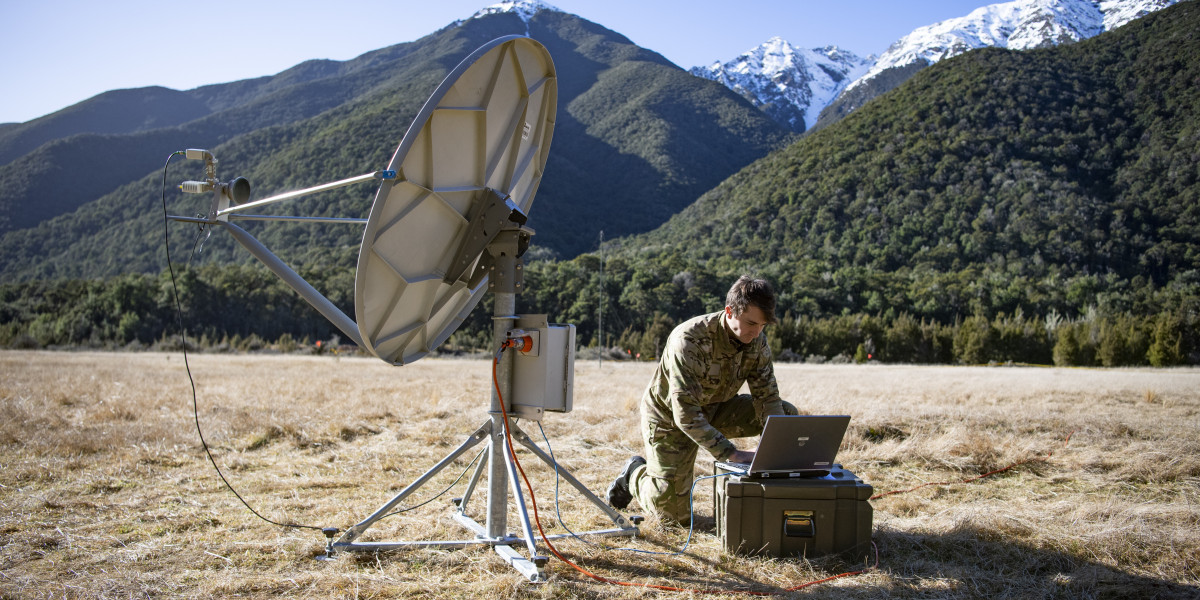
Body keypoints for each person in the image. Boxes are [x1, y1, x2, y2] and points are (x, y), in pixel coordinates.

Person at [606, 275, 798, 524]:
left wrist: (774, 448)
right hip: (669, 418)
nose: (757, 332)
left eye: (763, 325)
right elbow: (685, 413)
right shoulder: (689, 340)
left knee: (786, 415)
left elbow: (767, 397)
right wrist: (730, 454)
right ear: (730, 311)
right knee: (672, 516)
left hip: (717, 408)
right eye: (752, 323)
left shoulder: (756, 340)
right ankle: (635, 475)